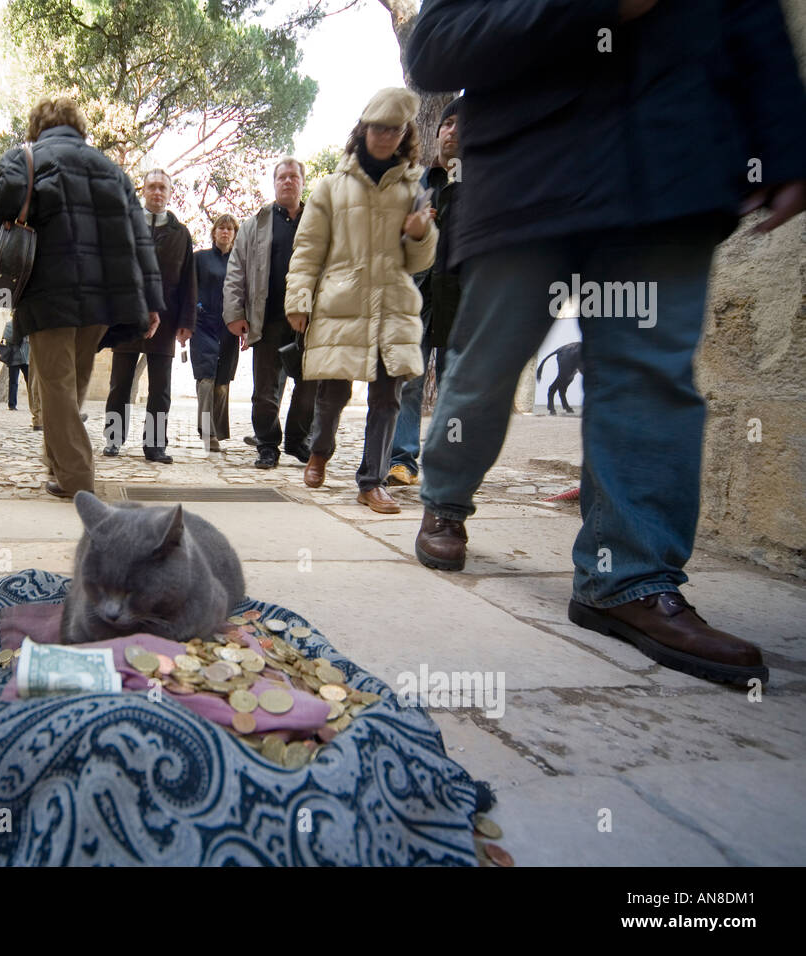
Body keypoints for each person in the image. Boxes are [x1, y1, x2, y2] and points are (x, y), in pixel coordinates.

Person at [406, 0, 806, 684]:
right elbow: (435, 43)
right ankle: (445, 495)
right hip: (528, 168)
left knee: (649, 370)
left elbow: (752, 16)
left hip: (672, 155)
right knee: (487, 361)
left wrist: (783, 138)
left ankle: (629, 578)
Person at [0, 97, 163, 498]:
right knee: (73, 380)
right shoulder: (110, 170)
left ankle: (77, 477)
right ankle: (58, 462)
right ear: (79, 127)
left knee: (57, 385)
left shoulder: (24, 159)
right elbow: (140, 239)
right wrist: (152, 298)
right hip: (103, 297)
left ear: (37, 126)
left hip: (48, 292)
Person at [284, 89, 438, 513]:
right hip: (341, 303)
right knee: (332, 394)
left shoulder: (415, 189)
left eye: (394, 129)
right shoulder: (331, 188)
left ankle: (372, 481)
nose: (385, 136)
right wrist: (299, 299)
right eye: (378, 128)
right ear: (363, 130)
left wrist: (421, 234)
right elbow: (308, 248)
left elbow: (419, 261)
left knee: (388, 398)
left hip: (392, 305)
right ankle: (319, 452)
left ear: (405, 133)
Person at [387, 96, 462, 487]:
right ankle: (402, 459)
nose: (451, 131)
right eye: (446, 124)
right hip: (418, 296)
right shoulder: (418, 183)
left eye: (460, 125)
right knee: (410, 378)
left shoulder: (481, 186)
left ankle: (447, 467)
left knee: (455, 385)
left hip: (461, 301)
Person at [223, 159, 317, 469]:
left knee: (309, 387)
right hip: (267, 319)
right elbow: (236, 271)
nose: (288, 181)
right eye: (282, 177)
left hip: (309, 321)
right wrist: (236, 314)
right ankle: (267, 444)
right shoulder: (255, 224)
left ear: (302, 182)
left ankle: (296, 441)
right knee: (265, 391)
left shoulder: (317, 220)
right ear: (274, 183)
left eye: (294, 176)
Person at [104, 169, 196, 464]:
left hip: (166, 321)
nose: (157, 192)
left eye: (163, 188)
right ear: (143, 190)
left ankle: (155, 445)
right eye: (152, 187)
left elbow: (188, 281)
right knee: (120, 383)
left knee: (161, 388)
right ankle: (113, 440)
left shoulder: (181, 234)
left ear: (170, 193)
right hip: (127, 317)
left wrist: (186, 322)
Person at [192, 214, 241, 452]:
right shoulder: (199, 258)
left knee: (222, 382)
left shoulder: (240, 262)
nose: (225, 232)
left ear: (234, 234)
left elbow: (247, 294)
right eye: (221, 227)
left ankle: (218, 431)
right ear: (214, 232)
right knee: (205, 378)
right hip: (203, 326)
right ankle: (207, 432)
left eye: (230, 229)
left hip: (229, 327)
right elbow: (189, 288)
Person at [2, 318, 30, 411]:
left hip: (23, 358)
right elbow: (7, 338)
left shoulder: (24, 324)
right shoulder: (10, 325)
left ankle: (13, 405)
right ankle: (12, 404)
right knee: (16, 382)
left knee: (27, 382)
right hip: (16, 357)